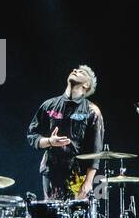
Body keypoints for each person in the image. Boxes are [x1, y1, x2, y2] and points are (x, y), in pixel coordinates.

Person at [25, 65, 105, 200]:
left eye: (81, 72)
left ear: (86, 84)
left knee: (76, 217)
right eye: (75, 70)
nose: (75, 70)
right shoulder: (48, 105)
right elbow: (32, 135)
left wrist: (89, 181)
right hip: (51, 171)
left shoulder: (92, 111)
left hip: (77, 175)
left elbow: (96, 151)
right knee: (51, 216)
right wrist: (49, 141)